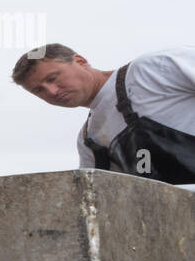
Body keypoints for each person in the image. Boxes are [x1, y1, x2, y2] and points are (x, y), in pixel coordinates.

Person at [12, 43, 195, 184]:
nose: (51, 91)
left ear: (80, 61)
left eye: (52, 78)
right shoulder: (89, 141)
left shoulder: (151, 70)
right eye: (38, 90)